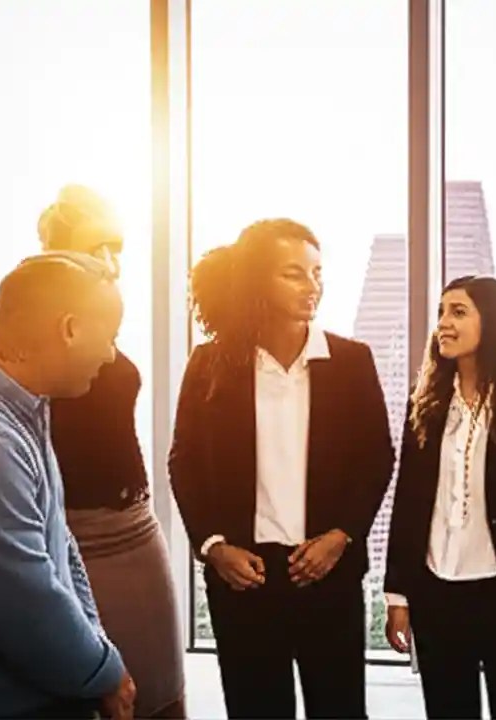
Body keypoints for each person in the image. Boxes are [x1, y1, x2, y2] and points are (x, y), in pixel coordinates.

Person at [168, 218, 394, 719]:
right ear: (256, 279)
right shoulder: (210, 364)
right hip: (243, 577)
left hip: (327, 571)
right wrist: (213, 546)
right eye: (292, 273)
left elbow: (377, 457)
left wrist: (342, 534)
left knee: (339, 712)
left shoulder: (351, 361)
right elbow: (184, 462)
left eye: (316, 272)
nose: (311, 285)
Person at [0, 253, 136, 719]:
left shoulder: (16, 409)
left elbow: (60, 546)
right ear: (70, 328)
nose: (110, 355)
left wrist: (98, 654)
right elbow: (23, 603)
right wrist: (104, 672)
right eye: (110, 337)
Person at [383, 275, 496, 719]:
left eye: (459, 311)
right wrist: (398, 594)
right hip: (435, 591)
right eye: (441, 312)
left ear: (494, 321)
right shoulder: (424, 404)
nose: (444, 323)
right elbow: (407, 502)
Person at [37, 184, 186, 718]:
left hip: (136, 531)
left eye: (115, 248)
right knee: (96, 692)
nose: (110, 261)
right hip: (74, 535)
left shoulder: (101, 314)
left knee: (162, 690)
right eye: (95, 247)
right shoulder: (38, 325)